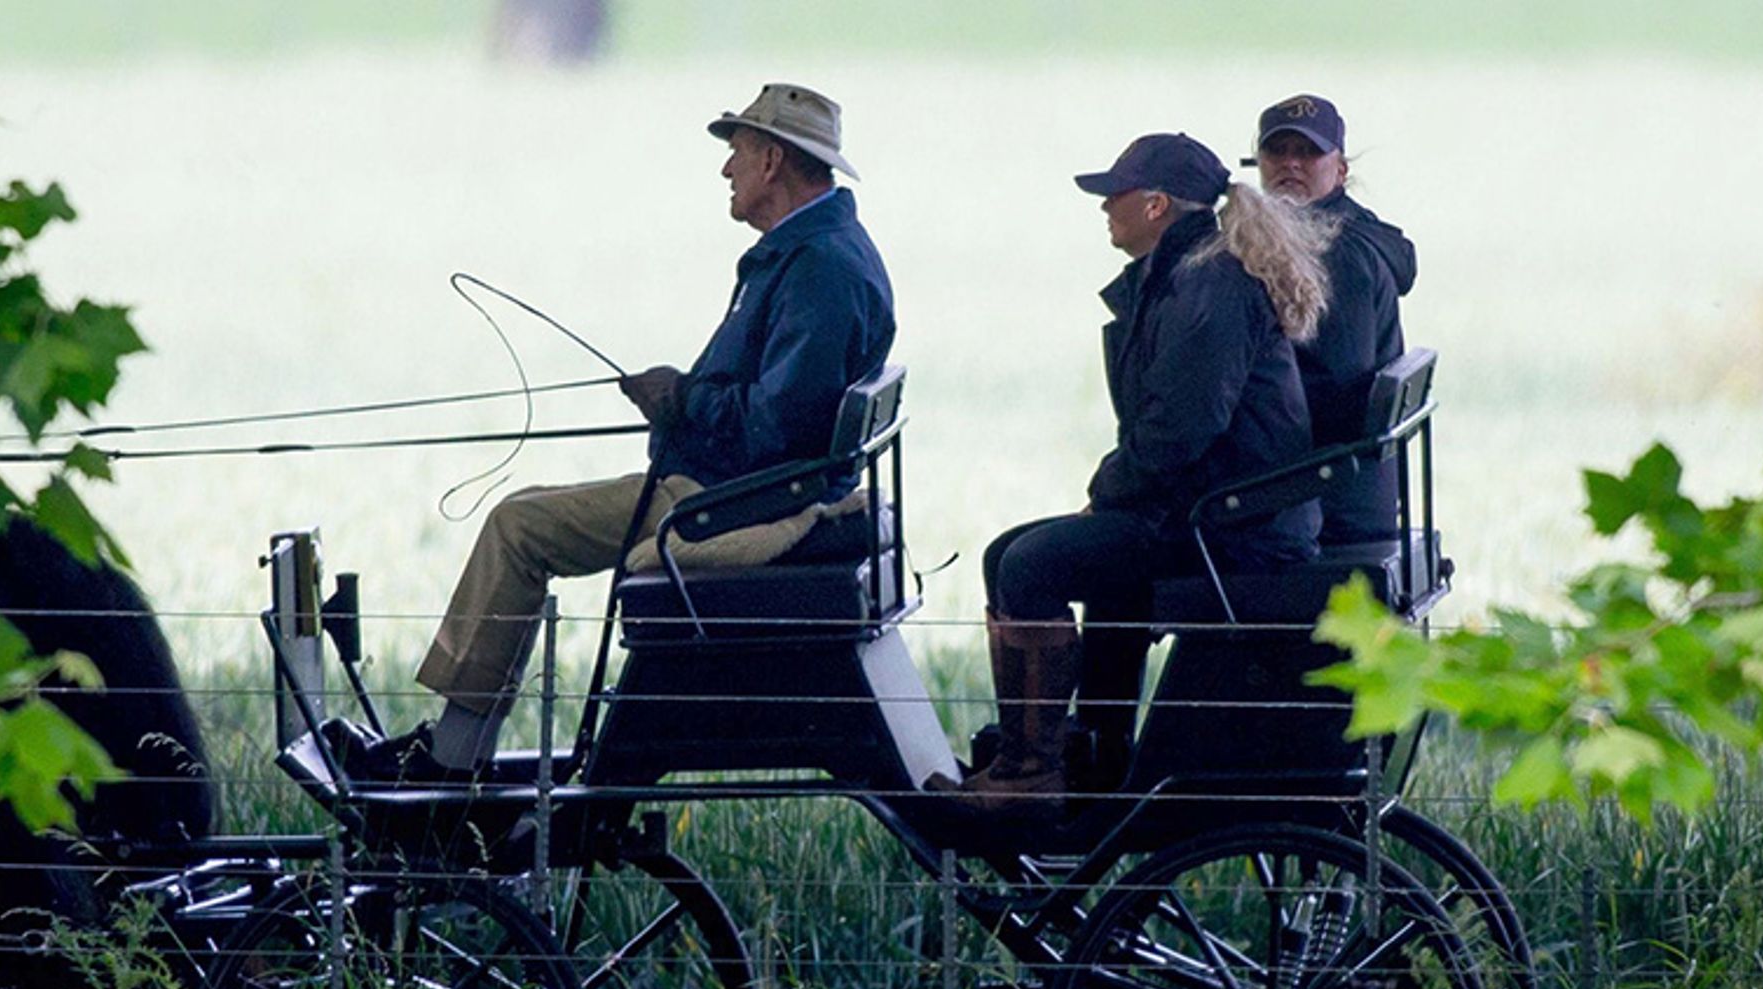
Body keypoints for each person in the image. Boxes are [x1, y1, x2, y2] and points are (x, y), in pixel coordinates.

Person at [345, 83, 895, 784]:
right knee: (528, 514)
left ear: (771, 163)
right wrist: (680, 402)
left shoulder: (819, 270)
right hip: (740, 486)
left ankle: (446, 769)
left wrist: (682, 399)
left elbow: (775, 428)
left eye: (736, 153)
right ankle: (456, 754)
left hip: (736, 501)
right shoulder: (813, 252)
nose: (725, 170)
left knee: (519, 526)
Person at [949, 133, 1329, 811]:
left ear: (1155, 205)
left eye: (1113, 197)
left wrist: (1105, 495)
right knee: (1016, 553)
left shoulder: (1205, 285)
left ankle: (1031, 773)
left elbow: (1177, 434)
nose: (1104, 210)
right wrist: (1115, 499)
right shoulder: (1190, 273)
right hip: (1214, 510)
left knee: (1027, 566)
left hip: (1231, 530)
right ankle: (1093, 745)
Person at [1251, 94, 1417, 543]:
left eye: (1308, 152)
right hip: (1354, 485)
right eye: (1278, 151)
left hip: (1332, 502)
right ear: (1258, 163)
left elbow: (1334, 389)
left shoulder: (1337, 253)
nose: (1292, 164)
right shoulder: (1326, 233)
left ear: (1340, 169)